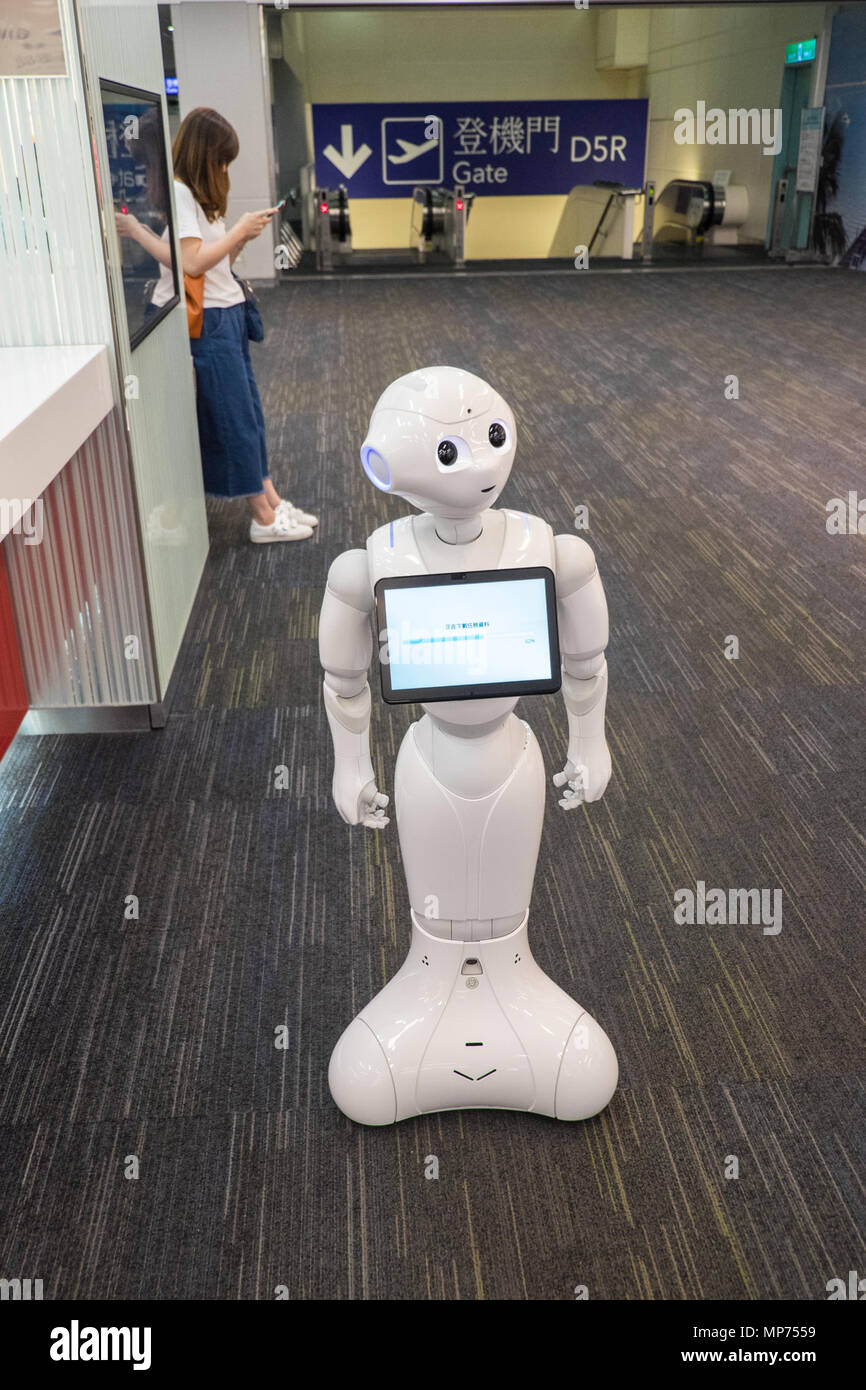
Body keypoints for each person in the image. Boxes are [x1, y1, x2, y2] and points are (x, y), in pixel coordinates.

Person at [116, 106, 317, 543]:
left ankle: (272, 502)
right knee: (233, 419)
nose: (225, 168)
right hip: (206, 321)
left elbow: (215, 264)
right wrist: (237, 232)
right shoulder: (182, 194)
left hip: (225, 315)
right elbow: (191, 264)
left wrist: (239, 238)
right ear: (206, 154)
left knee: (248, 415)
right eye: (222, 159)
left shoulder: (199, 199)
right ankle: (263, 516)